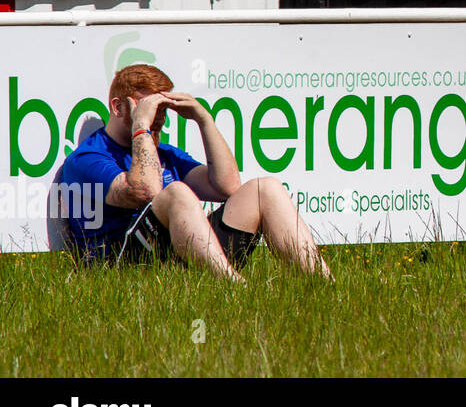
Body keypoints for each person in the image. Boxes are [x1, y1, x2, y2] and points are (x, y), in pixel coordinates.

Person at [57, 63, 332, 281]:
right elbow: (145, 191)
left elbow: (226, 188)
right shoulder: (88, 158)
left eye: (162, 109)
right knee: (175, 192)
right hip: (123, 269)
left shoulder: (164, 153)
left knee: (265, 188)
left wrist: (204, 120)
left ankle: (321, 284)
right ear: (118, 107)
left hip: (180, 260)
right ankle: (232, 288)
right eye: (150, 108)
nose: (159, 118)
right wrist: (141, 124)